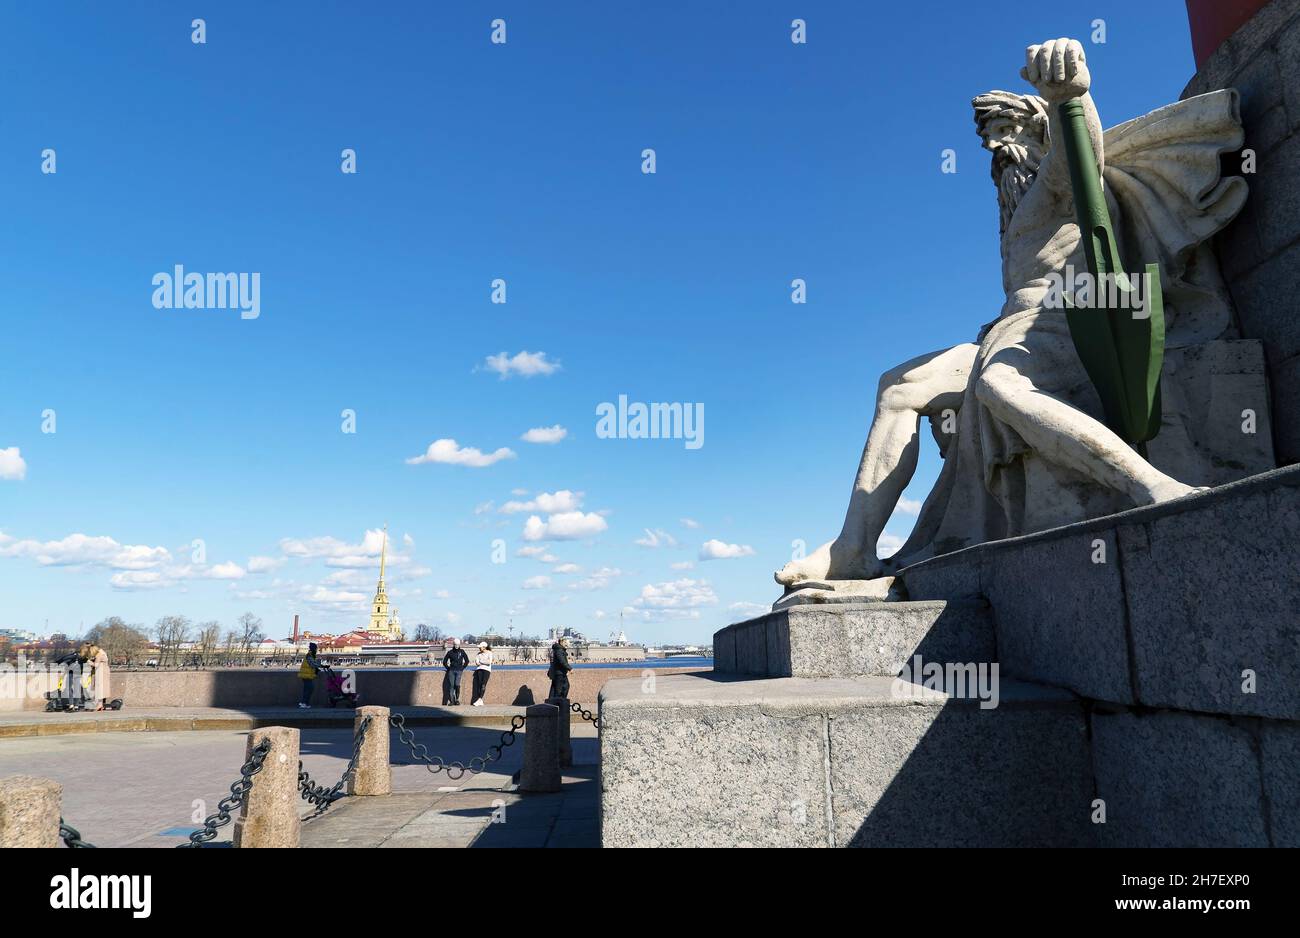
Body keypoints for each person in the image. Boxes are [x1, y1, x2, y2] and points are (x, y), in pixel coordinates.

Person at [442, 638, 469, 705]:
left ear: (459, 645)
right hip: (451, 671)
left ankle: (457, 699)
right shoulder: (450, 652)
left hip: (459, 670)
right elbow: (444, 662)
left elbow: (467, 661)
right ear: (453, 644)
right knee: (452, 685)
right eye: (455, 644)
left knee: (457, 685)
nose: (457, 646)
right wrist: (448, 668)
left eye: (458, 644)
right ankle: (451, 701)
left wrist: (462, 668)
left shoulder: (462, 651)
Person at [297, 642, 324, 709]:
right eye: (316, 648)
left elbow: (312, 664)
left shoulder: (310, 655)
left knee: (307, 689)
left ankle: (304, 702)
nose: (316, 650)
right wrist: (321, 666)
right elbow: (312, 664)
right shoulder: (309, 655)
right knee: (309, 689)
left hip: (307, 675)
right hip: (306, 675)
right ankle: (304, 703)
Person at [87, 644, 112, 711]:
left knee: (99, 689)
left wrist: (89, 662)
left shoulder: (99, 654)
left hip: (101, 672)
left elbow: (96, 665)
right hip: (104, 671)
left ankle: (99, 705)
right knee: (101, 689)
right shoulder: (102, 652)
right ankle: (100, 705)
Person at [471, 641, 493, 706]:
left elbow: (489, 662)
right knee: (479, 685)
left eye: (480, 647)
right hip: (479, 670)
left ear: (484, 647)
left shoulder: (489, 653)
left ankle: (480, 699)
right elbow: (477, 663)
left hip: (486, 670)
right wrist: (484, 662)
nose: (479, 648)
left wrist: (481, 661)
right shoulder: (478, 654)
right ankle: (480, 700)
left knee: (483, 685)